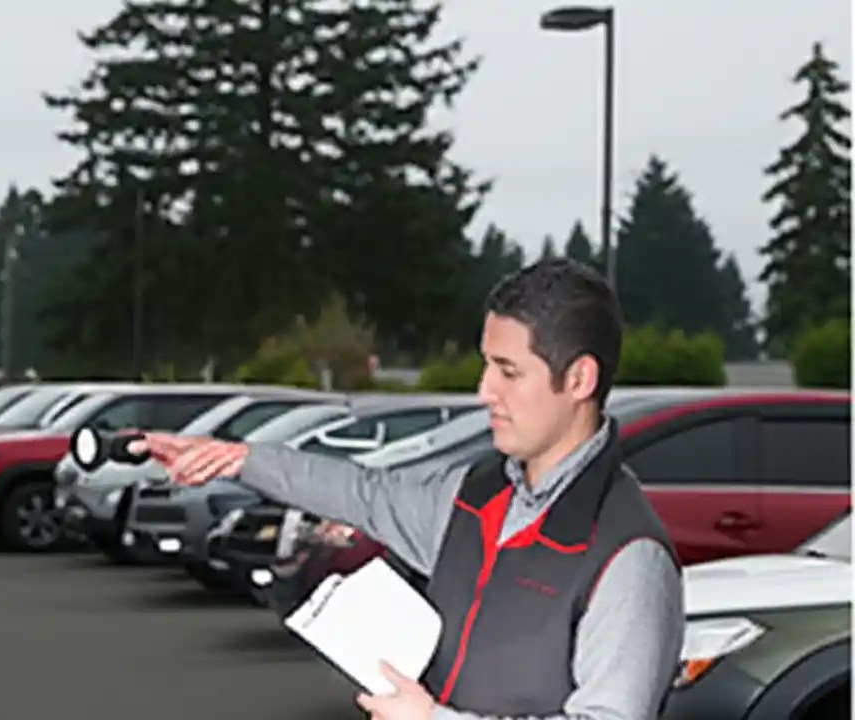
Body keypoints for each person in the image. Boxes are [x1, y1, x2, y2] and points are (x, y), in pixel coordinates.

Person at [129, 259, 684, 720]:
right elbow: (361, 492)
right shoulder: (475, 495)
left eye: (508, 371)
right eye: (486, 365)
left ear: (580, 380)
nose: (484, 391)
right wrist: (238, 459)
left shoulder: (629, 558)